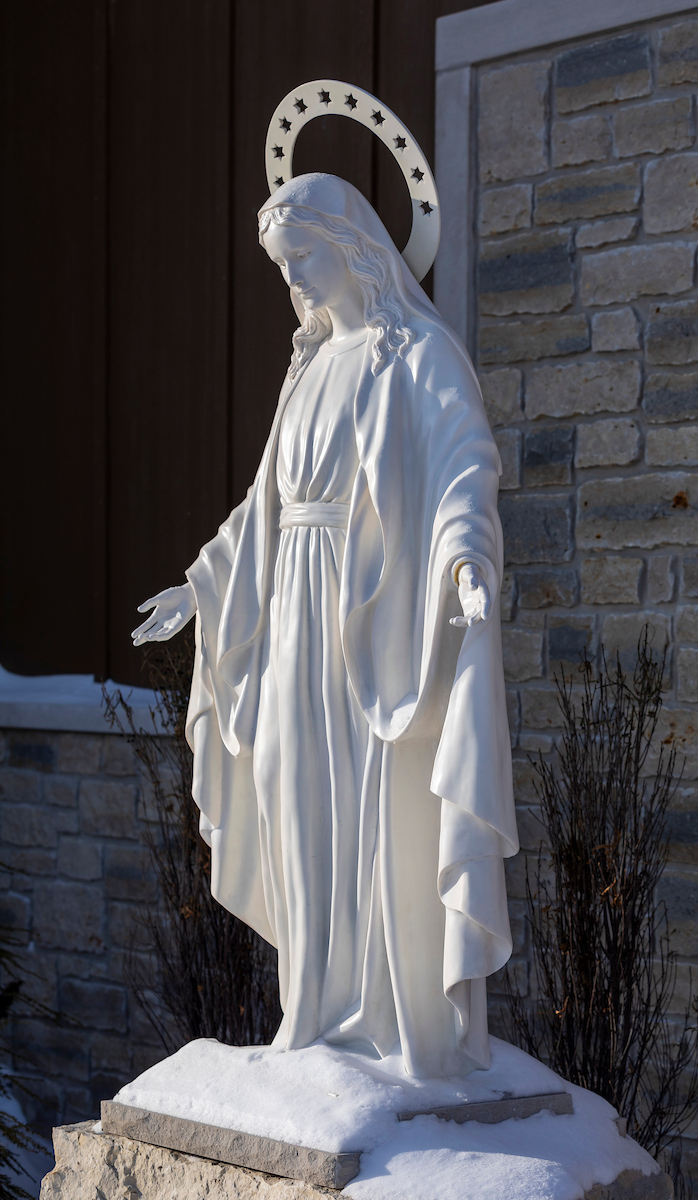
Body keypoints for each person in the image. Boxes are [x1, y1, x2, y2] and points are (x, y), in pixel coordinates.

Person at [132, 173, 517, 1079]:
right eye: (280, 265)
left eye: (302, 257)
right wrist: (201, 584)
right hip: (291, 623)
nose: (292, 280)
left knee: (374, 808)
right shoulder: (305, 370)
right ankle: (312, 1007)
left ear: (351, 250)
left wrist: (469, 564)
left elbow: (467, 468)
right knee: (298, 798)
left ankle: (387, 1016)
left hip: (374, 620)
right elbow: (267, 505)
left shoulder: (419, 357)